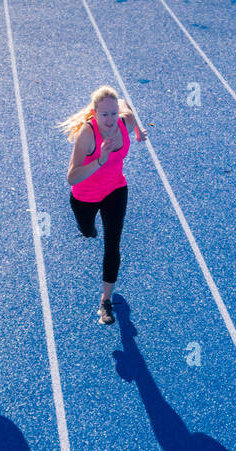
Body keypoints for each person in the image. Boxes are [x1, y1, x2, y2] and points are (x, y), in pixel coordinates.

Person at [60, 86, 144, 324]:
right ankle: (87, 228)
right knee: (88, 231)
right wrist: (100, 160)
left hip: (115, 190)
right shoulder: (87, 135)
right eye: (104, 114)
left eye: (113, 113)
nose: (109, 120)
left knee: (112, 244)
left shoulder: (124, 122)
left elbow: (128, 106)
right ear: (95, 114)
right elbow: (72, 177)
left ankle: (106, 300)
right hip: (85, 196)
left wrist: (138, 130)